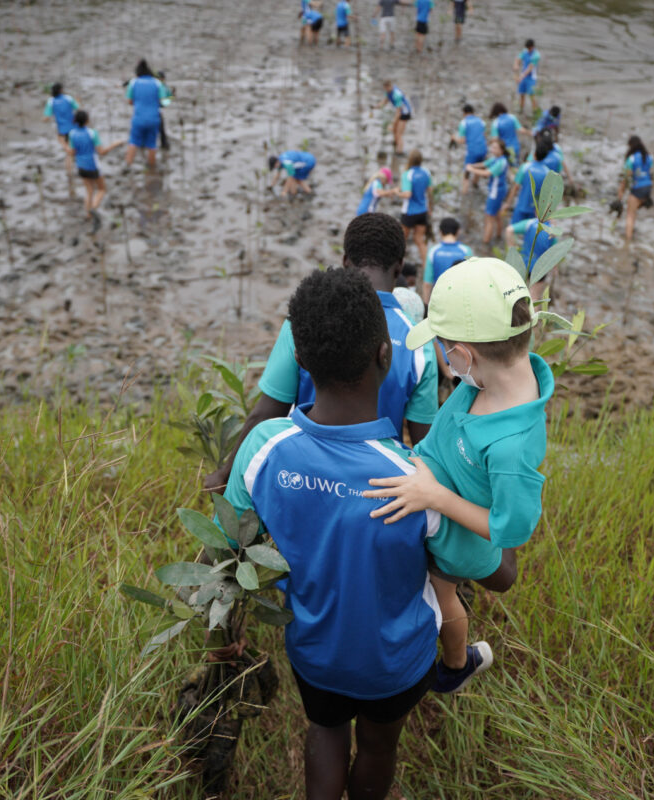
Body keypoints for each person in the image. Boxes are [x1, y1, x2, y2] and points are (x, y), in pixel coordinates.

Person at [221, 267, 440, 800]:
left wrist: (219, 638)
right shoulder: (418, 480)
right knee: (380, 747)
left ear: (299, 359)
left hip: (314, 652)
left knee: (324, 728)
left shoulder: (263, 450)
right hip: (395, 663)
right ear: (385, 356)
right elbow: (474, 566)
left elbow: (228, 551)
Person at [364, 257, 550, 693]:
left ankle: (455, 664)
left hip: (461, 536)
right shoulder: (489, 378)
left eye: (444, 348)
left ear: (463, 356)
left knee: (441, 592)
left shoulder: (511, 447)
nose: (444, 357)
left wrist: (435, 496)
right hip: (434, 482)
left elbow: (510, 529)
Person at [205, 212, 438, 493]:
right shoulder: (418, 341)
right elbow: (424, 444)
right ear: (399, 267)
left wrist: (226, 473)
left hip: (298, 477)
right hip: (377, 488)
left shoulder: (306, 318)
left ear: (345, 261)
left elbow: (266, 413)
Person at [66, 110, 124, 222]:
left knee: (89, 190)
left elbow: (72, 152)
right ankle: (93, 208)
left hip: (80, 166)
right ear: (87, 120)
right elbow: (101, 152)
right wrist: (115, 144)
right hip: (93, 165)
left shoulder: (72, 134)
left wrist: (65, 146)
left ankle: (88, 214)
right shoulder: (92, 133)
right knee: (102, 189)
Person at [463, 138, 510, 246]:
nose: (492, 149)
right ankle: (499, 236)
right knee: (497, 214)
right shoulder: (497, 159)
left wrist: (471, 170)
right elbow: (484, 164)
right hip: (499, 189)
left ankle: (485, 242)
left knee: (489, 217)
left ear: (501, 150)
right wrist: (472, 165)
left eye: (495, 148)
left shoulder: (501, 162)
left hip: (495, 192)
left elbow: (487, 173)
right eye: (492, 147)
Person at [422, 217, 473, 305]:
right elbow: (472, 277)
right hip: (460, 299)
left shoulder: (433, 251)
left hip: (439, 298)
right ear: (458, 232)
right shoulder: (466, 251)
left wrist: (426, 306)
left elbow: (427, 283)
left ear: (440, 232)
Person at [124, 60, 164, 170]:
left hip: (138, 118)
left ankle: (127, 165)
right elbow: (163, 101)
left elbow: (129, 101)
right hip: (154, 118)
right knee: (152, 144)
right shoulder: (157, 83)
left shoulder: (133, 83)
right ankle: (152, 169)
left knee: (133, 142)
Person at [504, 217, 555, 301]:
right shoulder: (552, 231)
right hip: (540, 268)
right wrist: (555, 272)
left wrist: (512, 249)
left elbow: (509, 230)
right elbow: (554, 254)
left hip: (523, 264)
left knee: (517, 292)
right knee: (534, 297)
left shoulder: (530, 223)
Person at [616, 135, 653, 244]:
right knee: (634, 211)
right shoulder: (649, 157)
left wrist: (620, 195)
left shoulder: (631, 159)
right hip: (648, 187)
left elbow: (626, 179)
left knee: (630, 215)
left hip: (637, 188)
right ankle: (631, 232)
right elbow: (649, 172)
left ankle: (627, 241)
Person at [398, 150, 433, 267]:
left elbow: (407, 194)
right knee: (420, 240)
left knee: (402, 240)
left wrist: (397, 193)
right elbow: (430, 191)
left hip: (409, 212)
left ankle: (398, 265)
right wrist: (430, 208)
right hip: (422, 211)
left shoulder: (407, 174)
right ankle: (426, 266)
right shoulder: (426, 172)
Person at [509, 140, 553, 224]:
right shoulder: (547, 173)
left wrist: (508, 203)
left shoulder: (525, 167)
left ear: (534, 154)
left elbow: (515, 187)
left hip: (521, 206)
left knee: (513, 228)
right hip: (534, 210)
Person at [43, 83, 79, 174]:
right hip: (73, 127)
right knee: (72, 148)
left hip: (62, 129)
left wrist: (43, 119)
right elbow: (78, 108)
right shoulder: (68, 98)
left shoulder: (51, 101)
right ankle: (75, 167)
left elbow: (46, 117)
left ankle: (69, 172)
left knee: (67, 151)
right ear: (61, 90)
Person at [451, 104, 487, 193]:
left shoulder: (464, 123)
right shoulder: (481, 121)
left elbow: (462, 140)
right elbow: (483, 135)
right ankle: (475, 184)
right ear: (473, 112)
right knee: (478, 167)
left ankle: (464, 192)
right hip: (483, 148)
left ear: (464, 113)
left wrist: (454, 138)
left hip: (472, 150)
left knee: (467, 172)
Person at [378, 81, 413, 156]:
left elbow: (398, 112)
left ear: (390, 86)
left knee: (398, 133)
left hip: (405, 113)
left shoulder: (397, 95)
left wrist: (392, 124)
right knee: (394, 130)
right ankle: (395, 144)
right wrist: (377, 106)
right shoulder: (388, 92)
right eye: (385, 89)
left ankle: (400, 152)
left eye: (387, 88)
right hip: (399, 112)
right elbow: (385, 101)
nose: (386, 90)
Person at [515, 39, 541, 116]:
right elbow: (518, 58)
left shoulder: (536, 55)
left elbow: (530, 68)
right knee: (521, 93)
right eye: (527, 48)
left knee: (531, 94)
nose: (528, 50)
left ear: (532, 47)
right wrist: (516, 65)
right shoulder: (525, 51)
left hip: (531, 78)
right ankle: (521, 108)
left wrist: (521, 77)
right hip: (523, 76)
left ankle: (534, 110)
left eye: (529, 48)